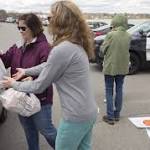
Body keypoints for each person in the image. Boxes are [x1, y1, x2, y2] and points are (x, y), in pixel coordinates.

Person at [1, 1, 98, 150]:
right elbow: (49, 65)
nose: (48, 22)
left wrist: (13, 84)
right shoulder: (75, 44)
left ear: (60, 21)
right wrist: (26, 71)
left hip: (75, 116)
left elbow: (39, 86)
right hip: (88, 112)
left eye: (50, 18)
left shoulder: (62, 49)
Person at [0, 13, 56, 150]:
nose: (20, 31)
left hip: (40, 99)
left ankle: (66, 147)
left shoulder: (44, 47)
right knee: (29, 131)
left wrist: (32, 77)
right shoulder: (18, 45)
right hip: (20, 97)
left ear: (33, 28)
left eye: (23, 28)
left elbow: (49, 71)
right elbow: (6, 60)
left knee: (47, 131)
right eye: (18, 28)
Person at [101, 14, 131, 125]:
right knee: (119, 90)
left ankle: (110, 116)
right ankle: (117, 114)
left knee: (109, 91)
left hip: (110, 67)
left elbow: (103, 50)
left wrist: (102, 49)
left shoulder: (110, 35)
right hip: (123, 66)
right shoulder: (128, 35)